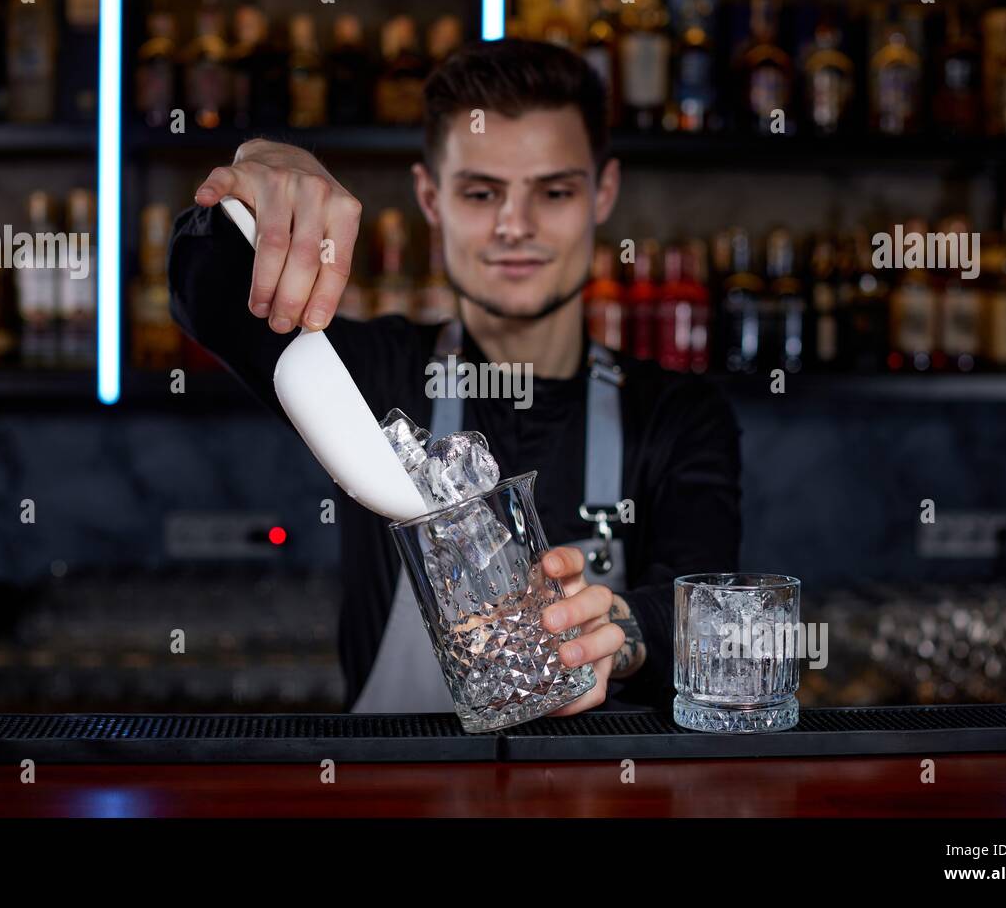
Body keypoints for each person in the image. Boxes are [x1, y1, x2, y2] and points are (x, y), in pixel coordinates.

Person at [168, 38, 741, 715]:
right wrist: (267, 166)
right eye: (480, 192)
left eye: (553, 191)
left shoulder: (679, 414)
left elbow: (705, 617)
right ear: (430, 198)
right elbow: (204, 293)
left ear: (603, 192)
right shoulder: (371, 376)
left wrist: (623, 631)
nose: (514, 225)